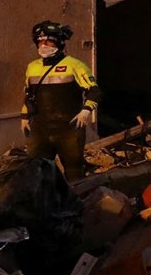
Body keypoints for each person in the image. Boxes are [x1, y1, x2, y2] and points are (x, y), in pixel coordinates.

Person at [22, 20, 100, 182]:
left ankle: (77, 202)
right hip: (40, 129)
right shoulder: (32, 67)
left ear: (59, 42)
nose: (43, 45)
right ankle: (46, 205)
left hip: (69, 129)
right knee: (37, 173)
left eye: (48, 40)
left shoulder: (75, 65)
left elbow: (95, 91)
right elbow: (28, 95)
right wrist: (24, 117)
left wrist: (86, 111)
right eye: (40, 41)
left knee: (73, 172)